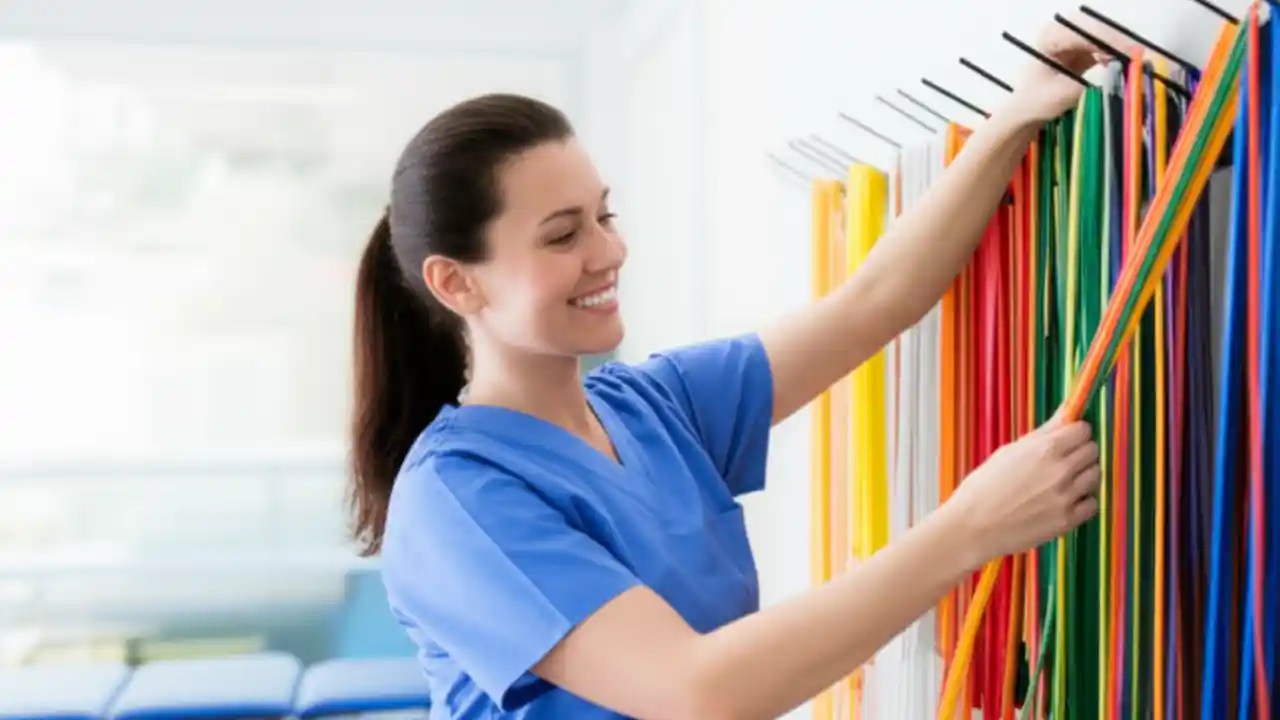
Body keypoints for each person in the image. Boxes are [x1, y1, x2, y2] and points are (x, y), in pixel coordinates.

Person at [348, 18, 1112, 720]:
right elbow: (695, 689)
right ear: (458, 282)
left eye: (604, 216)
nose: (609, 252)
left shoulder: (652, 405)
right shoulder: (456, 499)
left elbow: (874, 302)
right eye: (562, 235)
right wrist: (970, 528)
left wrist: (1016, 114)